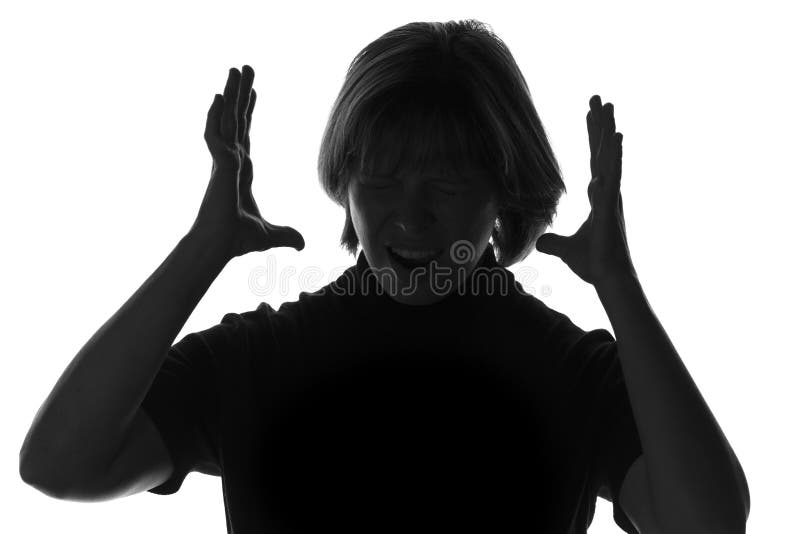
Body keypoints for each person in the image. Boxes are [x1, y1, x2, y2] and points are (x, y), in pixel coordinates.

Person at [20, 19, 749, 534]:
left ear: (504, 189)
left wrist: (620, 289)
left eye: (448, 181)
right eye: (382, 178)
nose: (411, 216)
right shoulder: (254, 359)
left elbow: (707, 527)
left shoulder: (574, 372)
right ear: (344, 185)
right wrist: (202, 248)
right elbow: (59, 465)